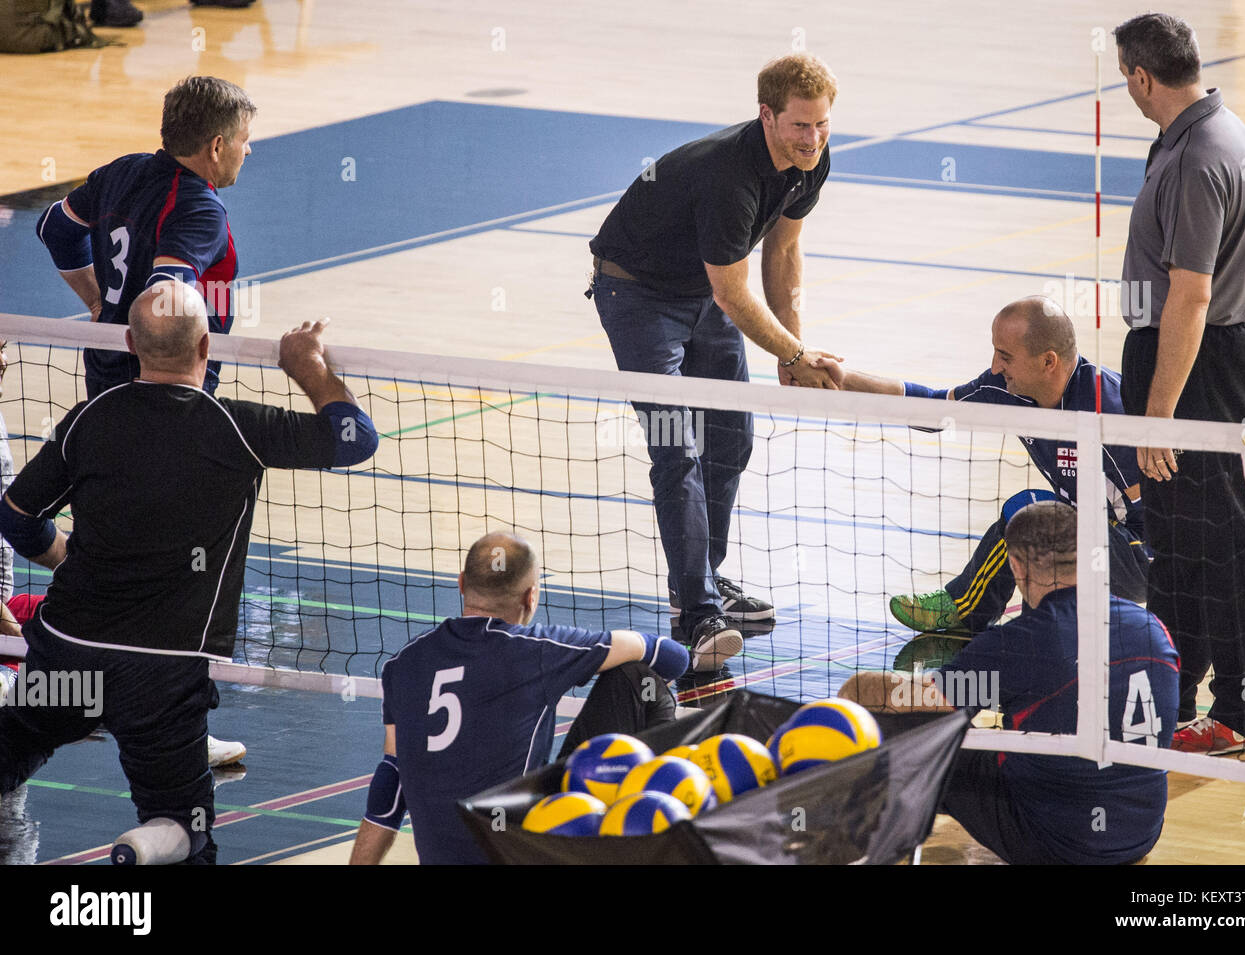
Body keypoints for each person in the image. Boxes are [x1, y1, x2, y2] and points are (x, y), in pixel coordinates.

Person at [0, 281, 379, 863]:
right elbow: (353, 439)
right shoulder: (238, 427)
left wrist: (67, 556)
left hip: (68, 654)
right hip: (162, 677)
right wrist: (307, 366)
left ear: (129, 343)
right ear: (207, 345)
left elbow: (17, 516)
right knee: (183, 829)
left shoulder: (88, 420)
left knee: (14, 746)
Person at [587, 52, 845, 659]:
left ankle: (701, 577)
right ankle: (697, 612)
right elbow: (734, 293)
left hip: (703, 292)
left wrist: (791, 346)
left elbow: (782, 252)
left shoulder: (811, 162)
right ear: (767, 116)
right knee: (677, 446)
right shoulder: (728, 175)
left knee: (730, 436)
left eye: (824, 124)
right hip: (640, 296)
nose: (814, 139)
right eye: (801, 126)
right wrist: (799, 354)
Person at [1113, 12, 1245, 754]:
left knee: (1223, 538)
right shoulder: (1221, 131)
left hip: (1194, 363)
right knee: (1178, 538)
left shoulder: (1196, 157)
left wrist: (1158, 413)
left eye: (1126, 77)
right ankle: (1175, 691)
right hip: (1202, 356)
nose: (1127, 88)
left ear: (1143, 77)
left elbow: (1189, 295)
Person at [348, 531, 727, 866]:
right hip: (525, 849)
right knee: (636, 676)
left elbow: (390, 781)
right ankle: (657, 820)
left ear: (461, 583)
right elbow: (668, 657)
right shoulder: (538, 649)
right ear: (531, 596)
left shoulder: (403, 665)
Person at [839, 500, 1179, 865]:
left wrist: (857, 690)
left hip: (1059, 844)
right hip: (1141, 834)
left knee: (918, 734)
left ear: (1015, 566)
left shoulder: (1019, 644)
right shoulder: (1151, 626)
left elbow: (919, 704)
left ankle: (850, 841)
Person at [823, 296, 1147, 636]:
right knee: (1030, 519)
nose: (994, 366)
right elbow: (933, 410)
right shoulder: (1007, 390)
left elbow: (1157, 516)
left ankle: (1030, 623)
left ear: (1048, 361)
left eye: (1005, 356)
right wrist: (843, 380)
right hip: (1088, 532)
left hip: (1142, 556)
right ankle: (969, 610)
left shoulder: (1108, 411)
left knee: (1031, 513)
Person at [35, 75, 255, 398]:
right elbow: (164, 303)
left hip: (102, 373)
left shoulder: (121, 171)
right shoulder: (200, 209)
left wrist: (98, 302)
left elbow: (54, 228)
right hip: (166, 388)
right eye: (244, 139)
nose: (248, 151)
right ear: (217, 147)